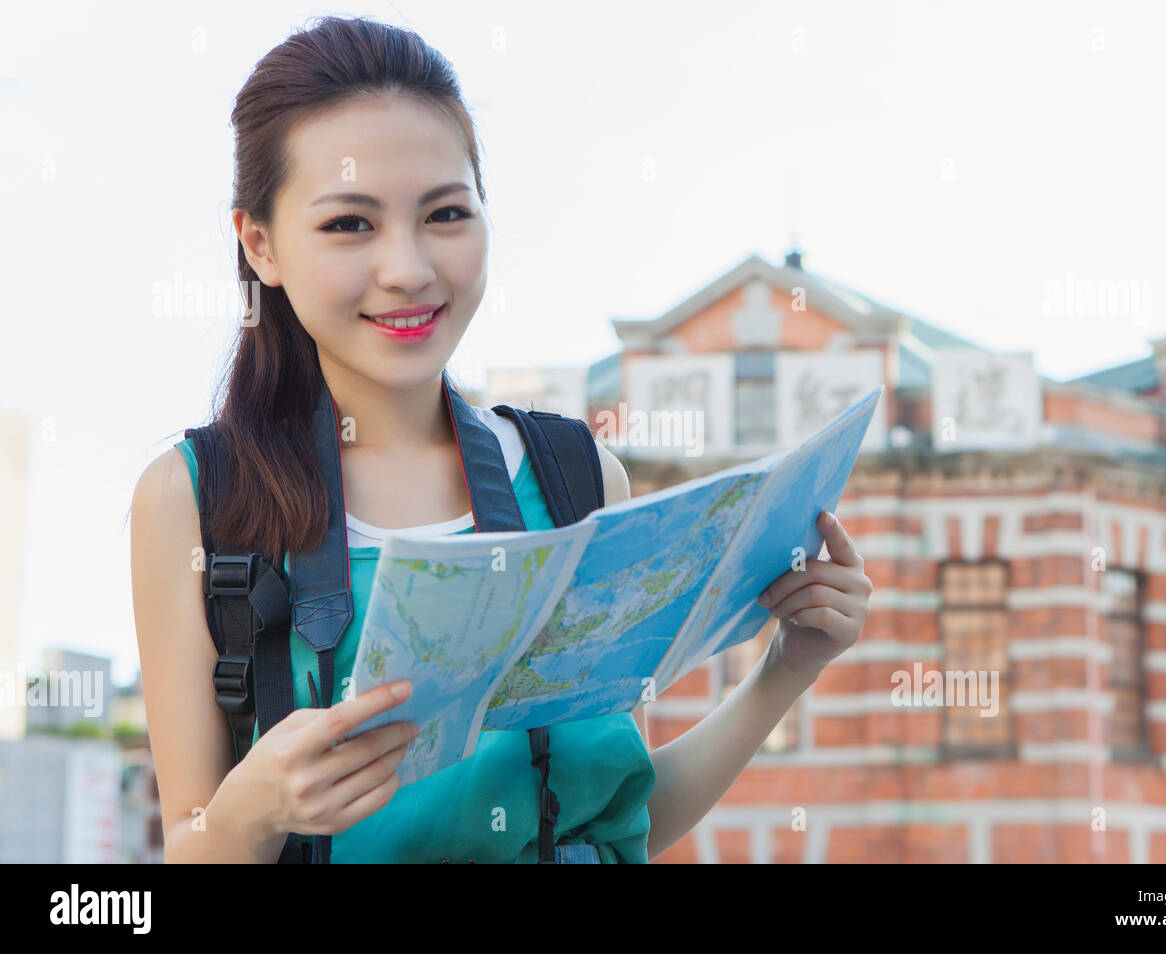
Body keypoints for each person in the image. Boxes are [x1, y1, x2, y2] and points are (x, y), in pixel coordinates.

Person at [129, 14, 874, 864]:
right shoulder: (194, 497)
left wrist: (789, 666)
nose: (408, 268)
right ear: (259, 244)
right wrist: (251, 813)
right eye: (349, 224)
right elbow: (192, 847)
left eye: (445, 213)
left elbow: (615, 817)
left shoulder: (578, 476)